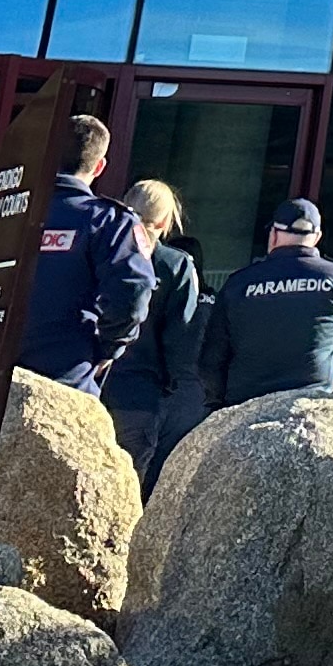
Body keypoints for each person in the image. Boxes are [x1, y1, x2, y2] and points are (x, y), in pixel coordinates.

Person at [0, 112, 152, 390]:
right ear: (99, 167)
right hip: (65, 383)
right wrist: (105, 349)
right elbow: (132, 293)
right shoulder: (109, 223)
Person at [197, 200, 333, 413]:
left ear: (273, 234)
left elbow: (212, 356)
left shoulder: (239, 283)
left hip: (245, 401)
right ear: (317, 238)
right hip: (311, 402)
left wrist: (218, 404)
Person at [102, 182, 206, 489]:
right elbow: (182, 340)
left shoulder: (97, 247)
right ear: (164, 222)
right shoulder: (175, 265)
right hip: (138, 396)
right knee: (124, 488)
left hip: (85, 383)